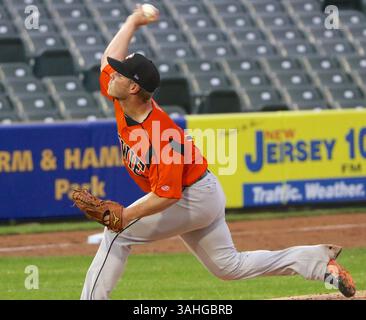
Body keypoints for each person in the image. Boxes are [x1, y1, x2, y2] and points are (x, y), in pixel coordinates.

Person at [80, 5, 356, 300]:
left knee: (117, 233)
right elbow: (104, 63)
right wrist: (132, 22)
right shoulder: (123, 101)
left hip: (192, 197)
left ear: (134, 87)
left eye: (119, 74)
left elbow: (166, 195)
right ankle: (317, 263)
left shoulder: (163, 135)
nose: (111, 75)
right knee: (228, 266)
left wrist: (124, 214)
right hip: (201, 192)